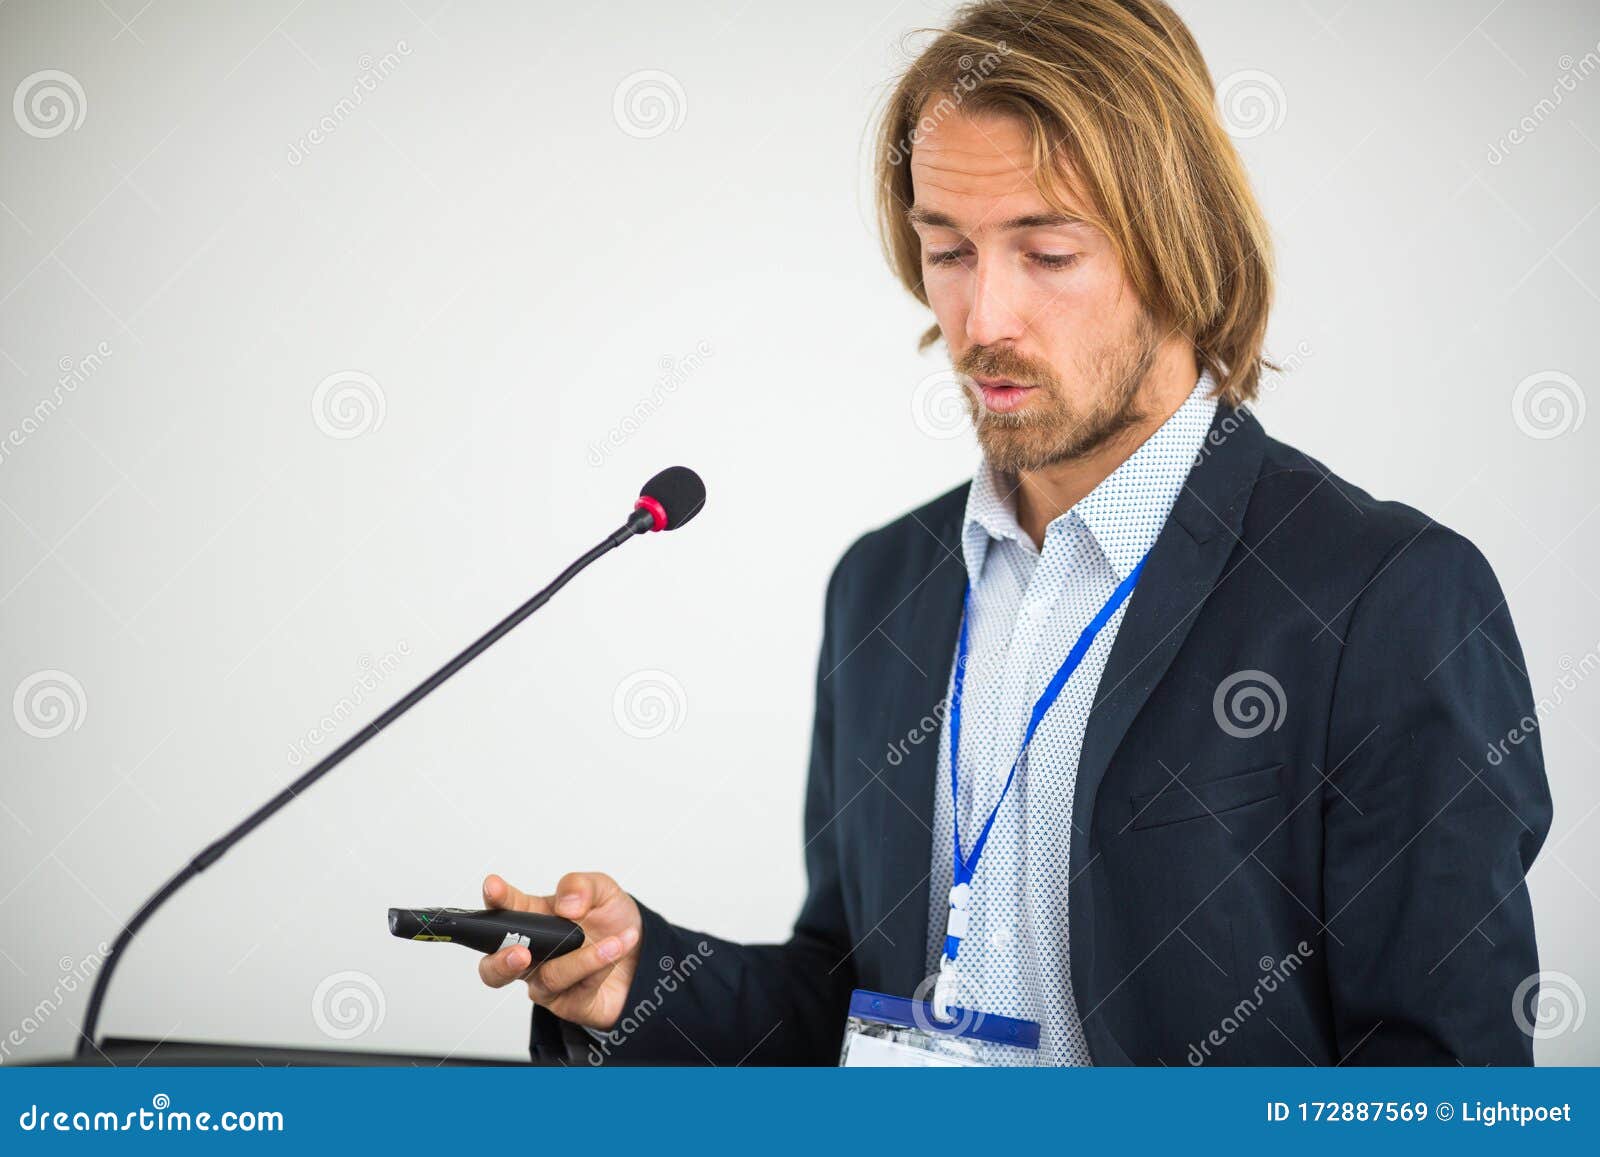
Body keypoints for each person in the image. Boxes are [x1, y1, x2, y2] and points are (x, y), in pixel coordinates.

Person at [478, 0, 1552, 1065]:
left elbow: (1447, 1091)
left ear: (1182, 249)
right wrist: (635, 979)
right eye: (947, 250)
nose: (983, 317)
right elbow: (851, 995)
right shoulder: (881, 587)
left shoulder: (1389, 598)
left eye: (1046, 253)